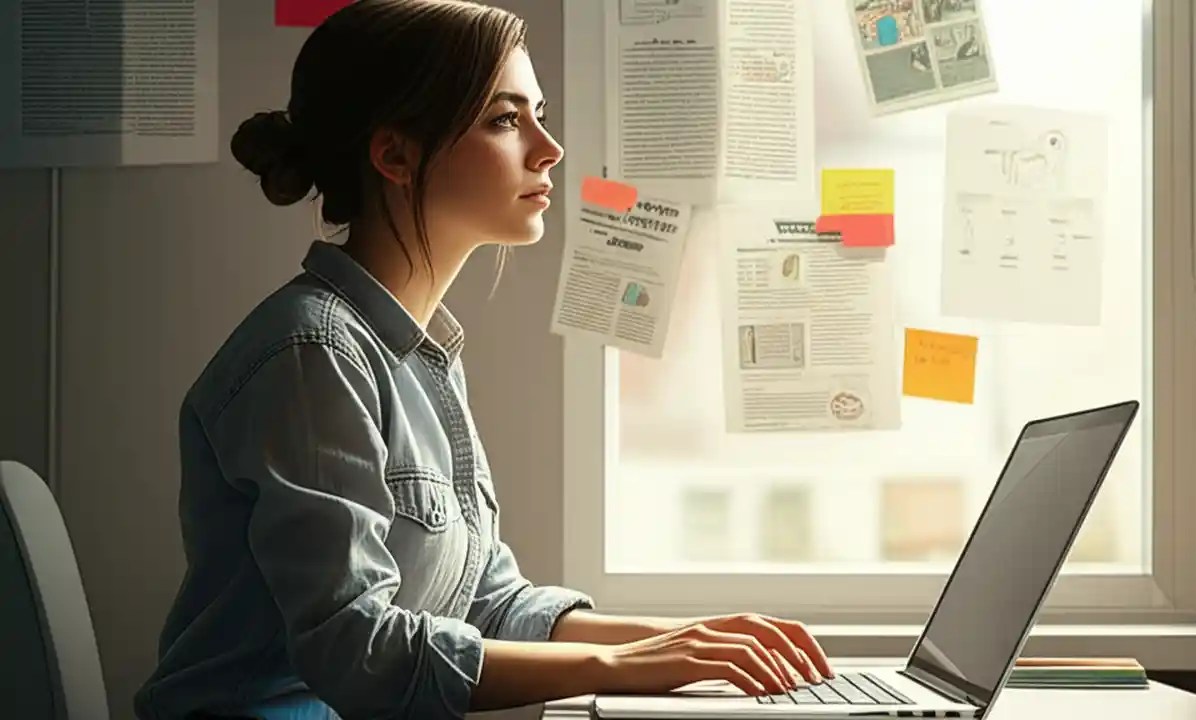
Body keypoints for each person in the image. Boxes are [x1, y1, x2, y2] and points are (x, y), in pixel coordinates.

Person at [133, 2, 834, 719]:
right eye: (506, 120)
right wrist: (623, 667)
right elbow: (358, 649)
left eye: (540, 113)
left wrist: (692, 641)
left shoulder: (416, 353)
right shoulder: (313, 355)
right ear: (395, 154)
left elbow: (487, 603)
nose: (548, 147)